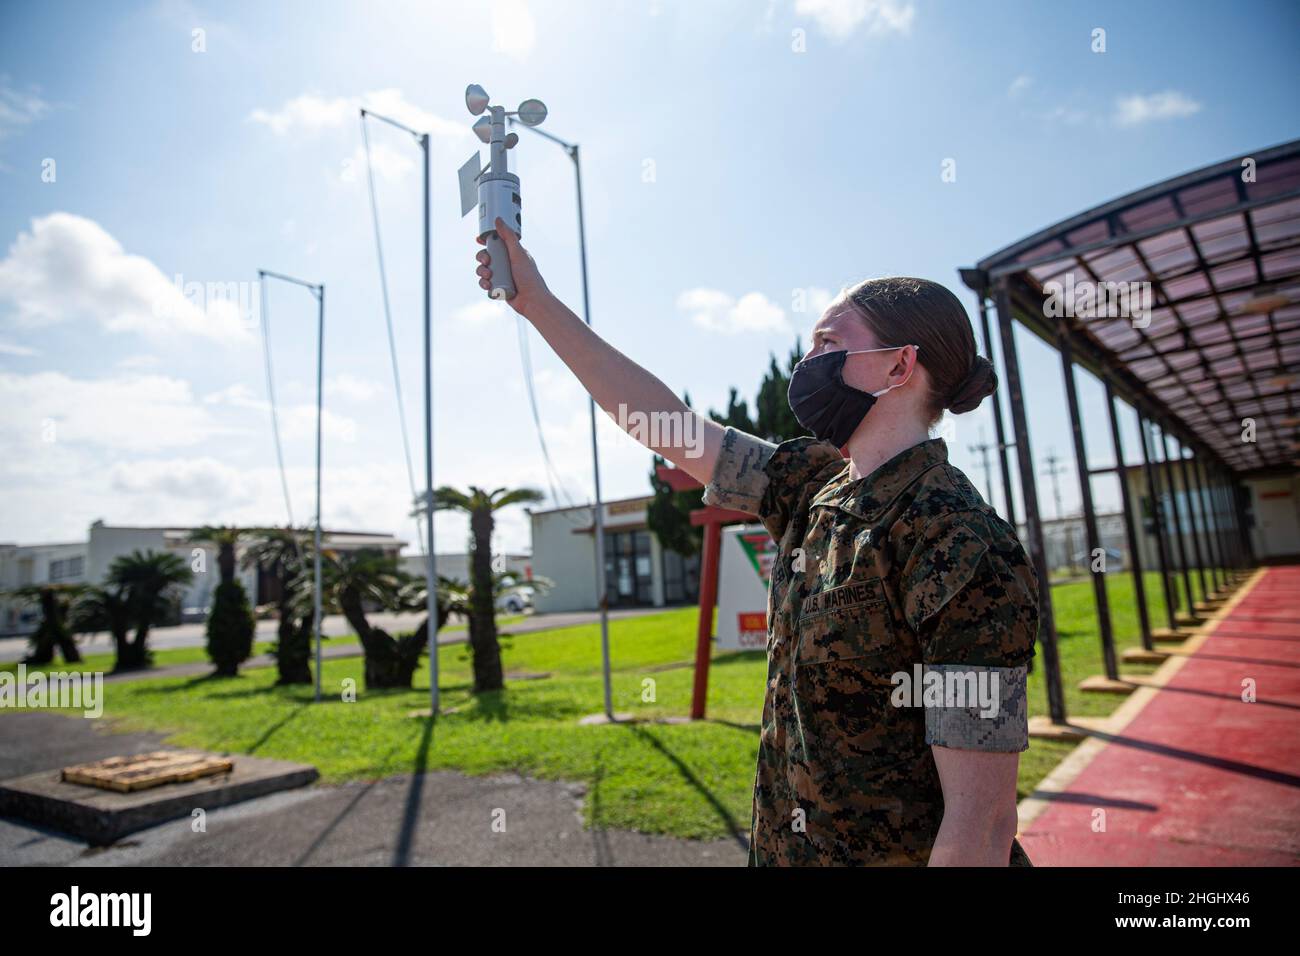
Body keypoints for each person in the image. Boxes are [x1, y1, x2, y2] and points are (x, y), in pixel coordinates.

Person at [475, 219, 1039, 866]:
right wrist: (536, 302)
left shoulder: (958, 538)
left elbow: (981, 827)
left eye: (829, 343)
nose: (808, 361)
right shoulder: (812, 488)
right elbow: (665, 426)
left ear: (899, 364)